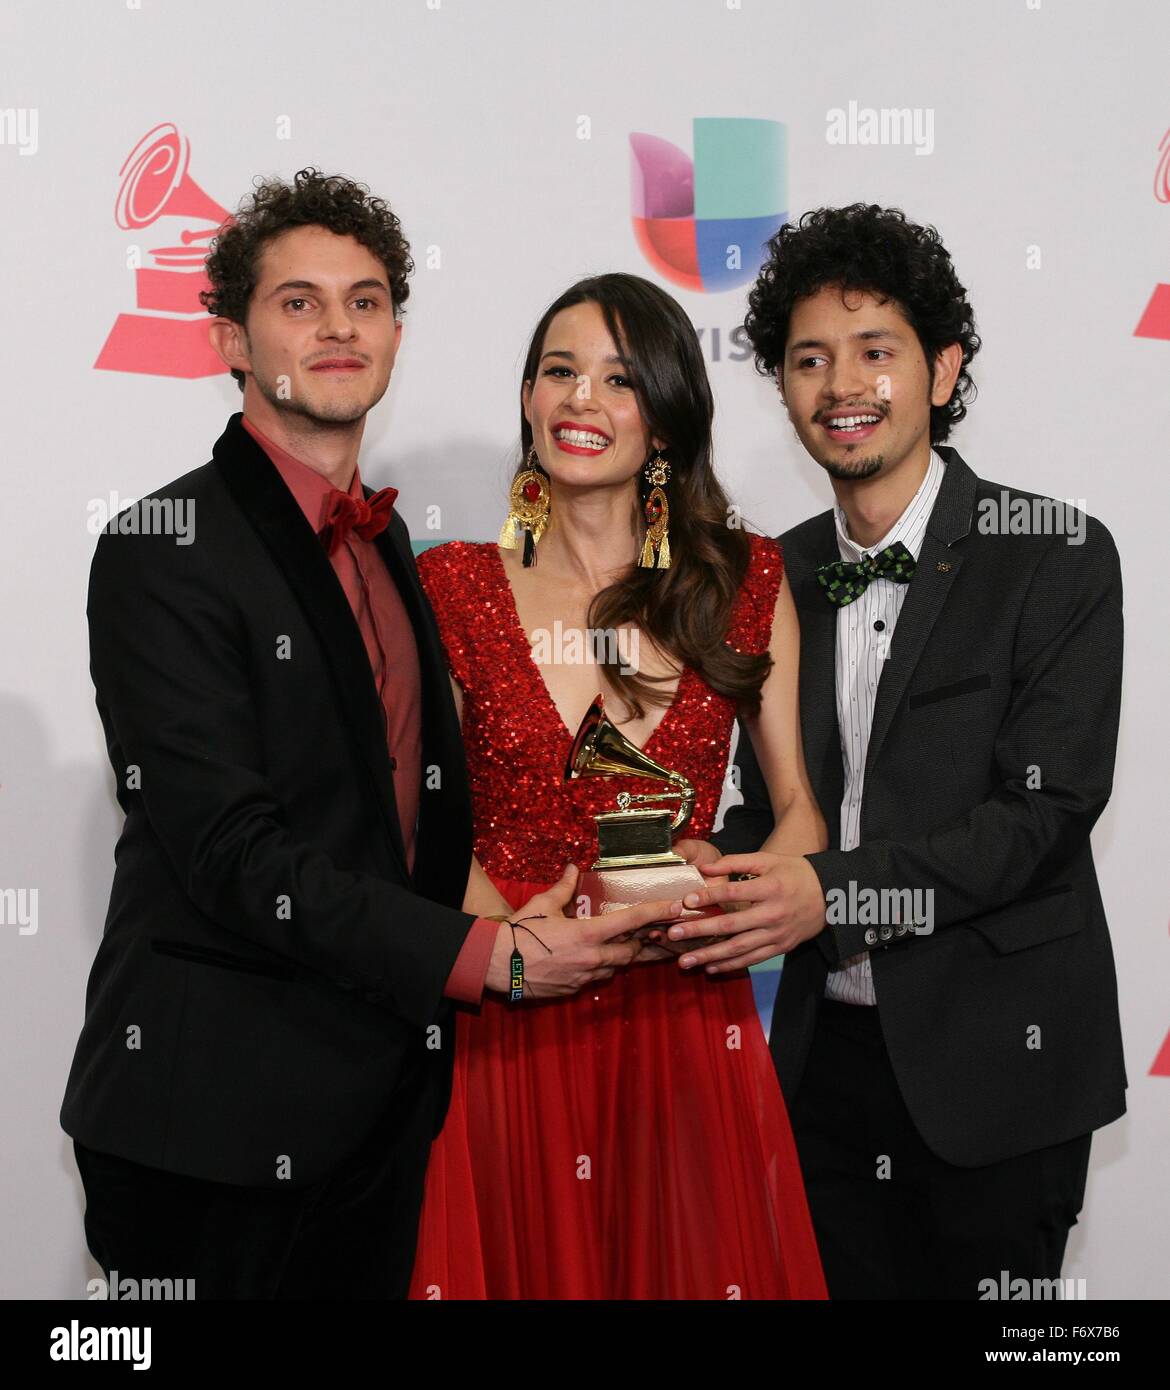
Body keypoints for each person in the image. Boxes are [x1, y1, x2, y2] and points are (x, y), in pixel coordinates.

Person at [59, 171, 673, 1300]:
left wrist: (502, 910)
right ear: (230, 339)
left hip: (386, 1113)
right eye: (298, 302)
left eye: (368, 298)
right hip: (211, 1128)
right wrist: (491, 957)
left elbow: (399, 820)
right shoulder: (165, 544)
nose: (339, 325)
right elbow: (232, 851)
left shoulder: (392, 548)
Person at [666, 204, 1127, 1299]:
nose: (843, 386)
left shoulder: (1055, 554)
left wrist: (824, 893)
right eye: (811, 358)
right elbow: (770, 802)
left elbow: (1041, 816)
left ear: (943, 366)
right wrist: (688, 865)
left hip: (999, 1068)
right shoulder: (768, 576)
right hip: (824, 1071)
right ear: (780, 385)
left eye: (877, 352)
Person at [409, 272, 829, 1299]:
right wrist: (506, 949)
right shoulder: (452, 583)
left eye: (618, 378)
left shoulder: (745, 579)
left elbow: (800, 815)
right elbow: (423, 820)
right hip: (504, 1022)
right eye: (559, 371)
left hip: (678, 1028)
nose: (580, 400)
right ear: (526, 398)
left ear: (669, 416)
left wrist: (734, 893)